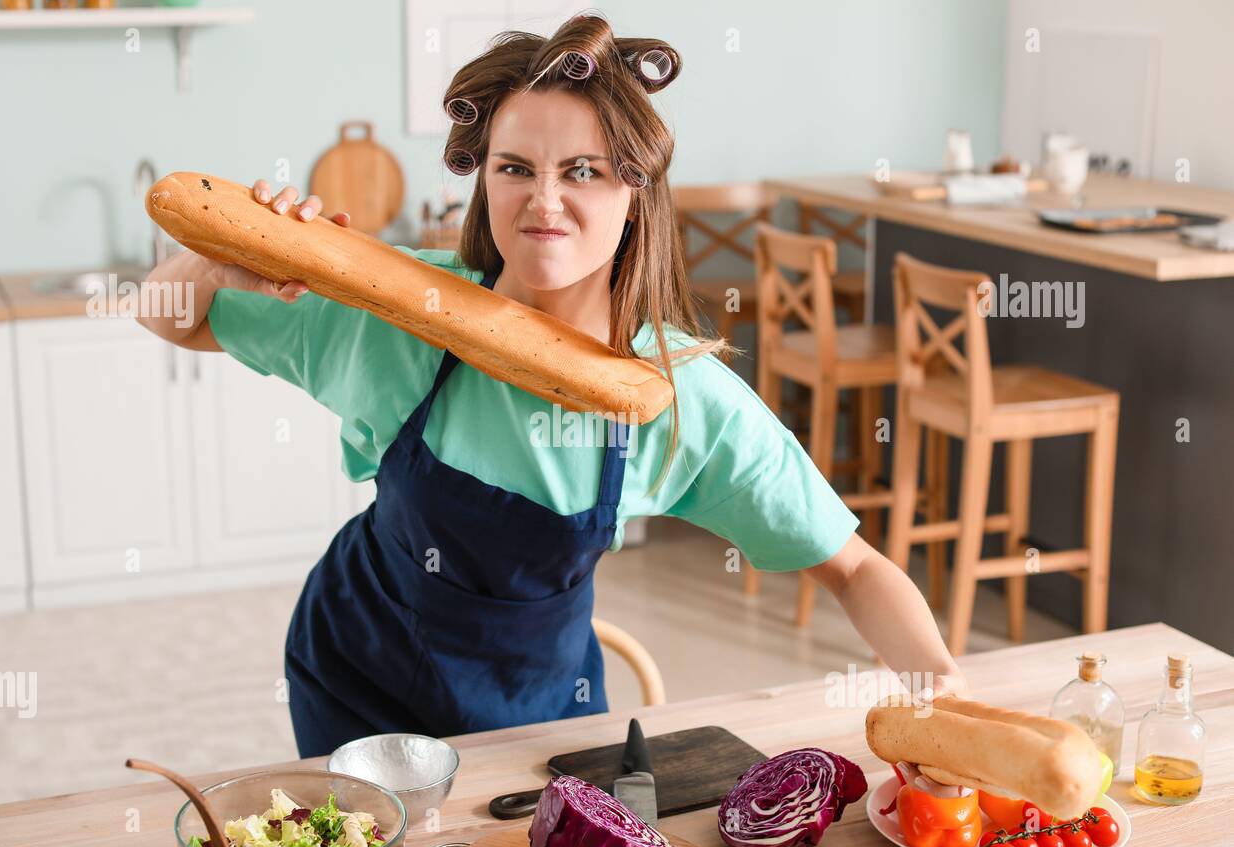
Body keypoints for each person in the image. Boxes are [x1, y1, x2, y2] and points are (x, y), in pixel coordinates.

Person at [137, 14, 967, 759]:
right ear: (484, 180)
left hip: (542, 718)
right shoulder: (398, 308)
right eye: (514, 167)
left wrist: (947, 699)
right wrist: (225, 255)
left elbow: (856, 571)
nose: (544, 201)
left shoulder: (672, 397)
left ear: (634, 192)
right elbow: (164, 313)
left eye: (582, 171)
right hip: (353, 679)